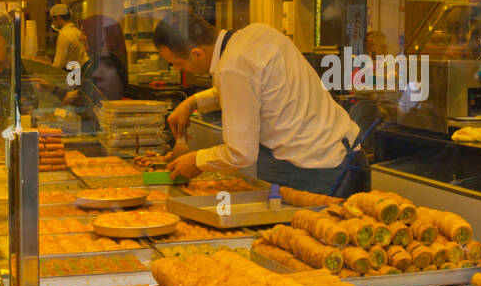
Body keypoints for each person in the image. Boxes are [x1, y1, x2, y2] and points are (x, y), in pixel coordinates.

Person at [154, 10, 370, 196]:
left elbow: (240, 154)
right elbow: (252, 87)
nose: (179, 70)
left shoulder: (233, 67)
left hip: (326, 171)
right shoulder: (257, 32)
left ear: (197, 53)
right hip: (346, 155)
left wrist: (197, 160)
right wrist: (192, 103)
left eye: (178, 64)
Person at [49, 3, 88, 70]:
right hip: (79, 71)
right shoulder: (77, 31)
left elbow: (58, 64)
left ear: (58, 18)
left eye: (53, 20)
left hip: (68, 73)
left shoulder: (64, 34)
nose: (54, 23)